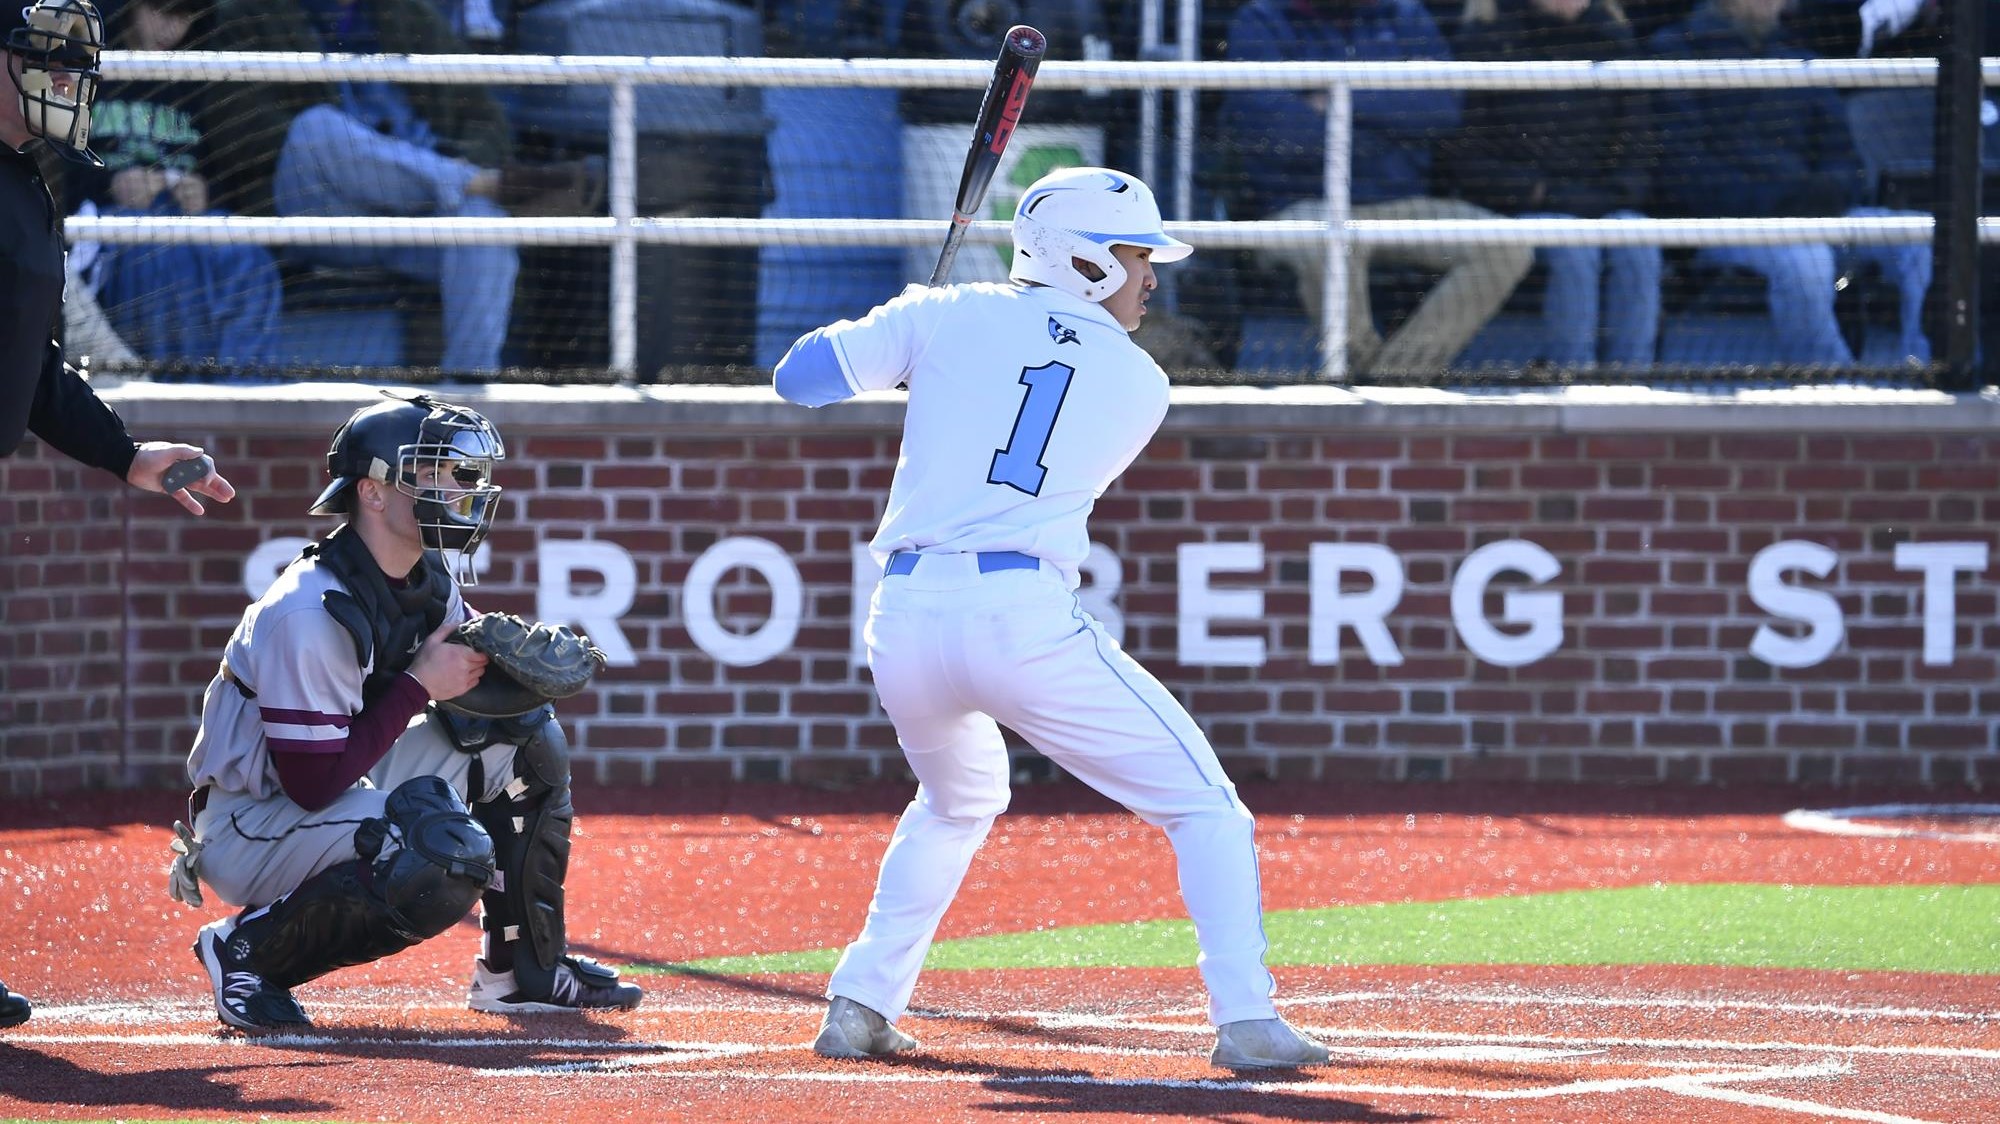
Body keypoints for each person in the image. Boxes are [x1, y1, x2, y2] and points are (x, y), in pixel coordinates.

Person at [772, 167, 1329, 1071]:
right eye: (1137, 257)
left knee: (956, 800)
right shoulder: (1143, 382)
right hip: (1016, 618)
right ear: (1085, 259)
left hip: (904, 620)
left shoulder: (944, 313)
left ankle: (861, 1002)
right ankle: (1248, 1020)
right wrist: (937, 340)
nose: (1150, 278)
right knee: (1206, 807)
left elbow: (797, 380)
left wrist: (907, 327)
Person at [164, 391, 642, 1030]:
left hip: (333, 785)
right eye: (435, 472)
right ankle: (246, 953)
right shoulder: (310, 610)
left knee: (526, 740)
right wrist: (419, 684)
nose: (459, 488)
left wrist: (518, 663)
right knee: (441, 848)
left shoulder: (425, 578)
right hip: (252, 820)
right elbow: (311, 784)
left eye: (458, 473)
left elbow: (472, 689)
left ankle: (520, 969)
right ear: (373, 492)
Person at [0, 0, 237, 1030]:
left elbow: (33, 366)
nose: (65, 81)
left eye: (72, 64)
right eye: (43, 60)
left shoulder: (25, 184)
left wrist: (127, 455)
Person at [192, 0, 599, 372]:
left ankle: (469, 386)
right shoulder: (249, 12)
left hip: (417, 212)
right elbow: (236, 127)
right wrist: (365, 156)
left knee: (482, 220)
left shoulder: (406, 13)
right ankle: (475, 182)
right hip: (324, 210)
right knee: (316, 127)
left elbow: (485, 118)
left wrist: (455, 154)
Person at [1219, 0, 1532, 377]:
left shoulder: (1406, 15)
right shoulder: (1262, 19)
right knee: (1328, 244)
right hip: (1300, 204)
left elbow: (1441, 106)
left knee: (1507, 247)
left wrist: (1337, 98)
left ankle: (1392, 377)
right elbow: (1278, 131)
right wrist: (1387, 118)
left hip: (1400, 201)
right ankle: (1362, 376)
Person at [1651, 0, 1932, 364]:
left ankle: (1926, 369)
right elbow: (1688, 175)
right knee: (1806, 257)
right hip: (1727, 225)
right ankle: (1831, 382)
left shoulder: (1798, 54)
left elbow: (1845, 158)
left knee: (1920, 239)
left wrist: (1827, 192)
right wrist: (1784, 203)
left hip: (1813, 215)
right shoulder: (1677, 50)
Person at [1439, 0, 1661, 367]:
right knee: (1574, 249)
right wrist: (1537, 191)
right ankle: (1572, 374)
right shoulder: (1487, 41)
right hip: (1519, 208)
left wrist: (1600, 197)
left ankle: (1632, 376)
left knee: (1638, 240)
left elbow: (1637, 153)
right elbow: (1466, 157)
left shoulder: (1616, 41)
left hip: (1602, 203)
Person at [69, 0, 282, 366]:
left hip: (190, 217)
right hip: (109, 219)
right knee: (160, 259)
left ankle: (243, 391)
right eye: (162, 12)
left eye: (184, 16)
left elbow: (229, 165)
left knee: (249, 257)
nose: (172, 29)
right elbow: (53, 165)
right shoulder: (84, 60)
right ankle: (171, 391)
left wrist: (205, 190)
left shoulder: (199, 68)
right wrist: (108, 183)